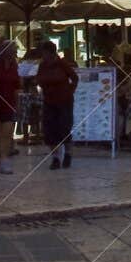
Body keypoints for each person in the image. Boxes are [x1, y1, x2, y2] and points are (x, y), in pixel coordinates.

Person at [35, 39, 79, 172]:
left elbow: (74, 77)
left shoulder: (62, 64)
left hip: (64, 101)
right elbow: (39, 78)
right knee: (50, 131)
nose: (42, 55)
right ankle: (55, 158)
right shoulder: (42, 65)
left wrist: (70, 91)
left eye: (44, 52)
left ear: (50, 52)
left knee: (64, 128)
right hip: (49, 101)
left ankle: (68, 154)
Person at [0, 35, 21, 172]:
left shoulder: (14, 66)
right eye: (13, 51)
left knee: (7, 133)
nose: (15, 53)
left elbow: (17, 86)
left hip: (9, 104)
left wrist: (17, 105)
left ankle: (4, 160)